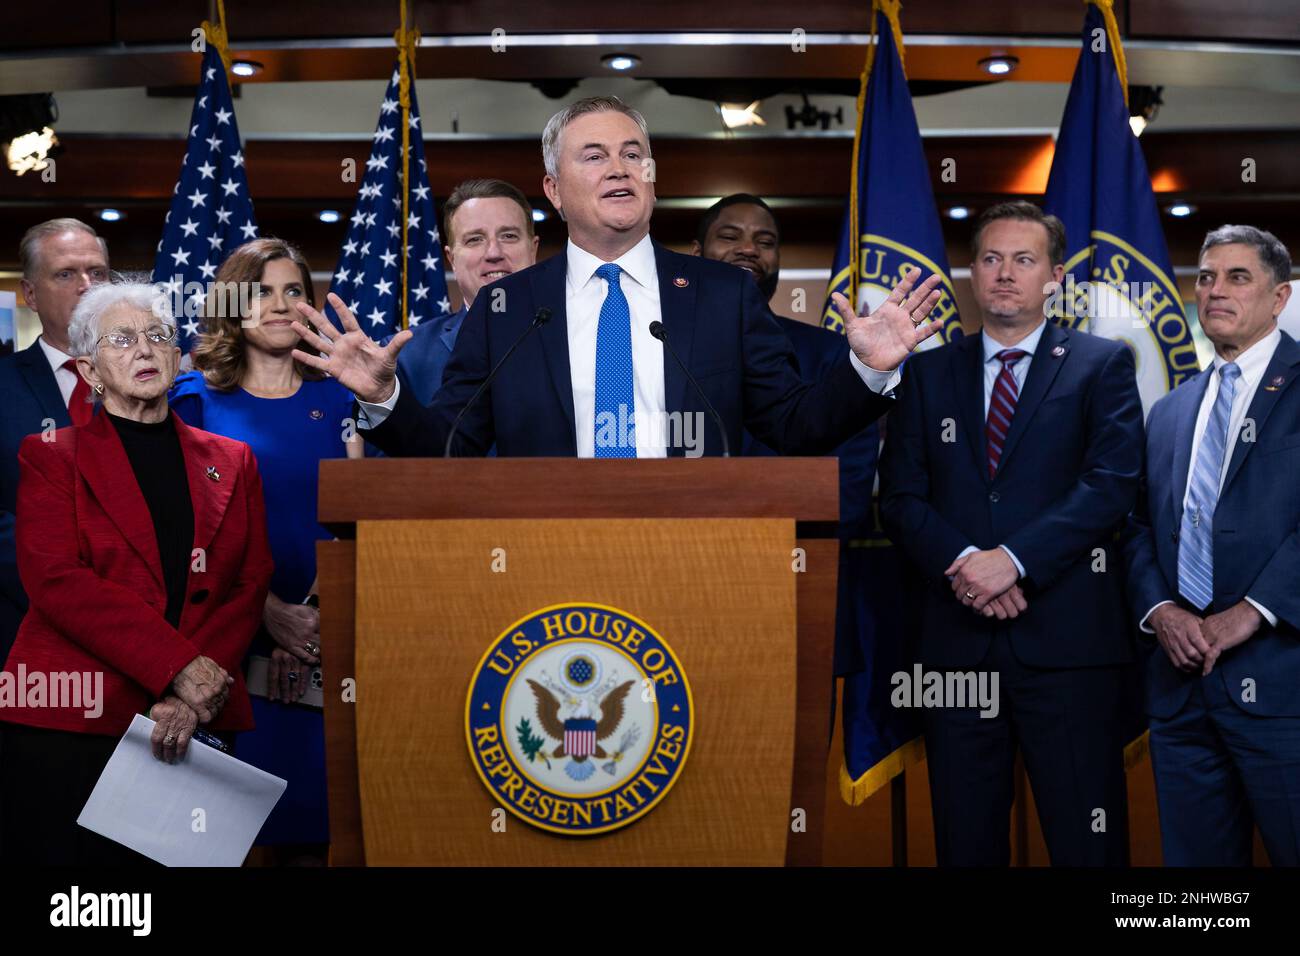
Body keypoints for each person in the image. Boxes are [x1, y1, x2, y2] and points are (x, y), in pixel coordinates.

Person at [289, 96, 943, 458]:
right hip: (541, 560)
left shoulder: (723, 295)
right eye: (595, 156)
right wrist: (385, 397)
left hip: (699, 554)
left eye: (635, 155)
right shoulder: (507, 307)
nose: (620, 168)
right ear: (553, 189)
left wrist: (866, 372)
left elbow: (797, 427)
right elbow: (452, 448)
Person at [878, 201, 1144, 866]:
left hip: (1069, 650)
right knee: (966, 845)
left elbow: (1111, 485)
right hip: (956, 651)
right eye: (991, 258)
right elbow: (901, 499)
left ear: (1055, 277)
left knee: (1088, 846)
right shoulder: (926, 372)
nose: (1004, 273)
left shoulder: (1100, 364)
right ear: (971, 272)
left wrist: (1015, 561)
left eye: (1024, 260)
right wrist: (970, 563)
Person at [0, 281, 271, 865]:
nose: (144, 349)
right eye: (121, 340)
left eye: (157, 335)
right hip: (75, 720)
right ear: (90, 370)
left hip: (196, 717)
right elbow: (57, 581)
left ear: (177, 354)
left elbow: (249, 585)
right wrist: (177, 668)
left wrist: (192, 696)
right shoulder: (49, 455)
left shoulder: (233, 460)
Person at [170, 237, 362, 861]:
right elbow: (179, 535)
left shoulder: (343, 397)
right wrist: (267, 614)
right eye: (260, 293)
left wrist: (308, 622)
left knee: (329, 833)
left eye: (293, 291)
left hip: (332, 643)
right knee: (230, 842)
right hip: (224, 651)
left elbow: (362, 517)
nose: (279, 306)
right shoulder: (191, 402)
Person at [1123, 225, 1299, 866]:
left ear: (1280, 297)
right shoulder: (1169, 410)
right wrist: (1160, 611)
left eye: (1237, 277)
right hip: (1181, 693)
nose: (1215, 290)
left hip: (1283, 690)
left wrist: (1252, 611)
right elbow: (1137, 526)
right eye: (1205, 277)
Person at [692, 193, 879, 674]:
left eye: (765, 241)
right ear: (697, 252)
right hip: (683, 588)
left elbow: (848, 491)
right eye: (729, 236)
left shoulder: (832, 356)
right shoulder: (653, 347)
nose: (749, 249)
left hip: (798, 589)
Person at [0, 219, 110, 665]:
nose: (87, 286)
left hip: (142, 635)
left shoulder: (157, 383)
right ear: (30, 294)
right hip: (25, 635)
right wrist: (75, 596)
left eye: (98, 273)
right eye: (66, 274)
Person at [394, 178, 540, 406]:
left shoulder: (579, 339)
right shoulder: (406, 357)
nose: (493, 253)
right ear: (451, 258)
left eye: (509, 236)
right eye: (475, 240)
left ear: (533, 249)